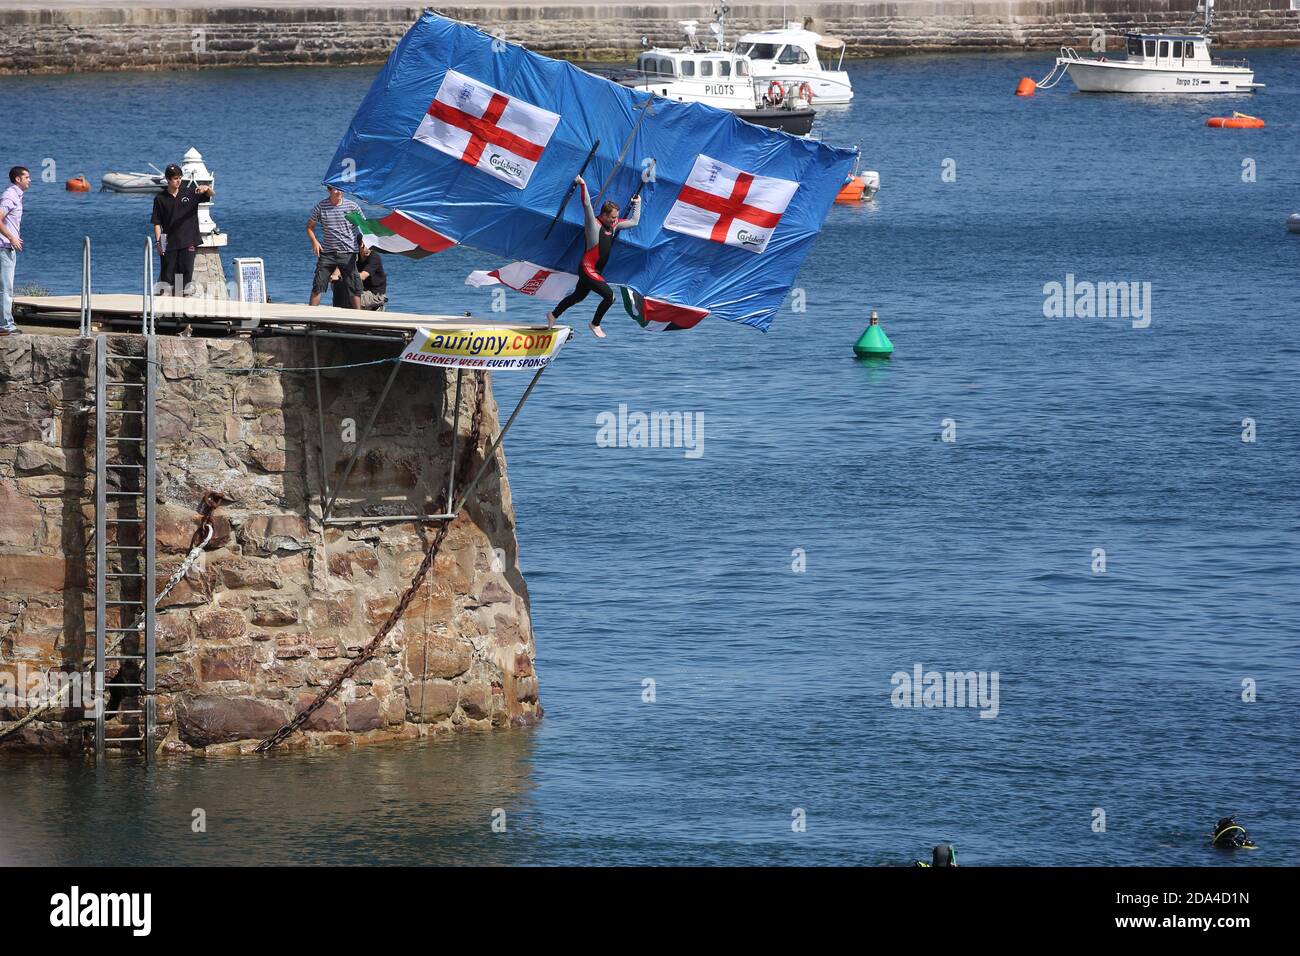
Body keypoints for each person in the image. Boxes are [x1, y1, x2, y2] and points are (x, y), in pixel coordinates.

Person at [547, 175, 640, 339]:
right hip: (587, 269)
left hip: (596, 270)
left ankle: (553, 315)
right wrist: (582, 184)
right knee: (610, 297)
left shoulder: (614, 225)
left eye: (616, 217)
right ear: (603, 215)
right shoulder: (594, 224)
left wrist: (637, 203)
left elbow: (634, 222)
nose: (615, 220)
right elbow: (587, 204)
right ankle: (595, 323)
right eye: (612, 217)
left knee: (578, 296)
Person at [151, 163, 214, 296]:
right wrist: (158, 243)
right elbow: (157, 223)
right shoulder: (160, 199)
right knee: (167, 275)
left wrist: (206, 188)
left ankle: (182, 301)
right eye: (175, 178)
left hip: (188, 240)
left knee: (185, 273)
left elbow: (211, 194)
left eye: (179, 177)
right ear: (168, 179)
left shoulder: (190, 192)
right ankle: (166, 302)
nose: (178, 180)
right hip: (169, 242)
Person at [307, 185, 362, 310]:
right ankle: (309, 317)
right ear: (329, 190)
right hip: (327, 253)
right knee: (318, 286)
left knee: (353, 287)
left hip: (348, 252)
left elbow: (363, 226)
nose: (339, 192)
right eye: (336, 189)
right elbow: (309, 227)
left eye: (341, 189)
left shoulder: (352, 207)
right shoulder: (321, 206)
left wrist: (365, 242)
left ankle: (360, 317)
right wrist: (314, 241)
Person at [0, 166, 32, 336]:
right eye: (27, 177)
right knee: (6, 288)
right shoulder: (10, 196)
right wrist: (11, 237)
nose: (30, 179)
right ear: (18, 179)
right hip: (3, 247)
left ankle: (4, 324)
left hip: (6, 247)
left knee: (4, 288)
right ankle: (5, 326)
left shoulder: (16, 196)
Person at [332, 242, 386, 310]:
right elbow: (339, 268)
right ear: (358, 246)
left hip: (376, 294)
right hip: (361, 290)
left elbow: (362, 276)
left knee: (350, 291)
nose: (366, 249)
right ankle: (341, 311)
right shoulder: (354, 256)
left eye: (369, 247)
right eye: (363, 246)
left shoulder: (374, 257)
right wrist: (335, 275)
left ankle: (360, 312)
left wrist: (341, 277)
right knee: (337, 285)